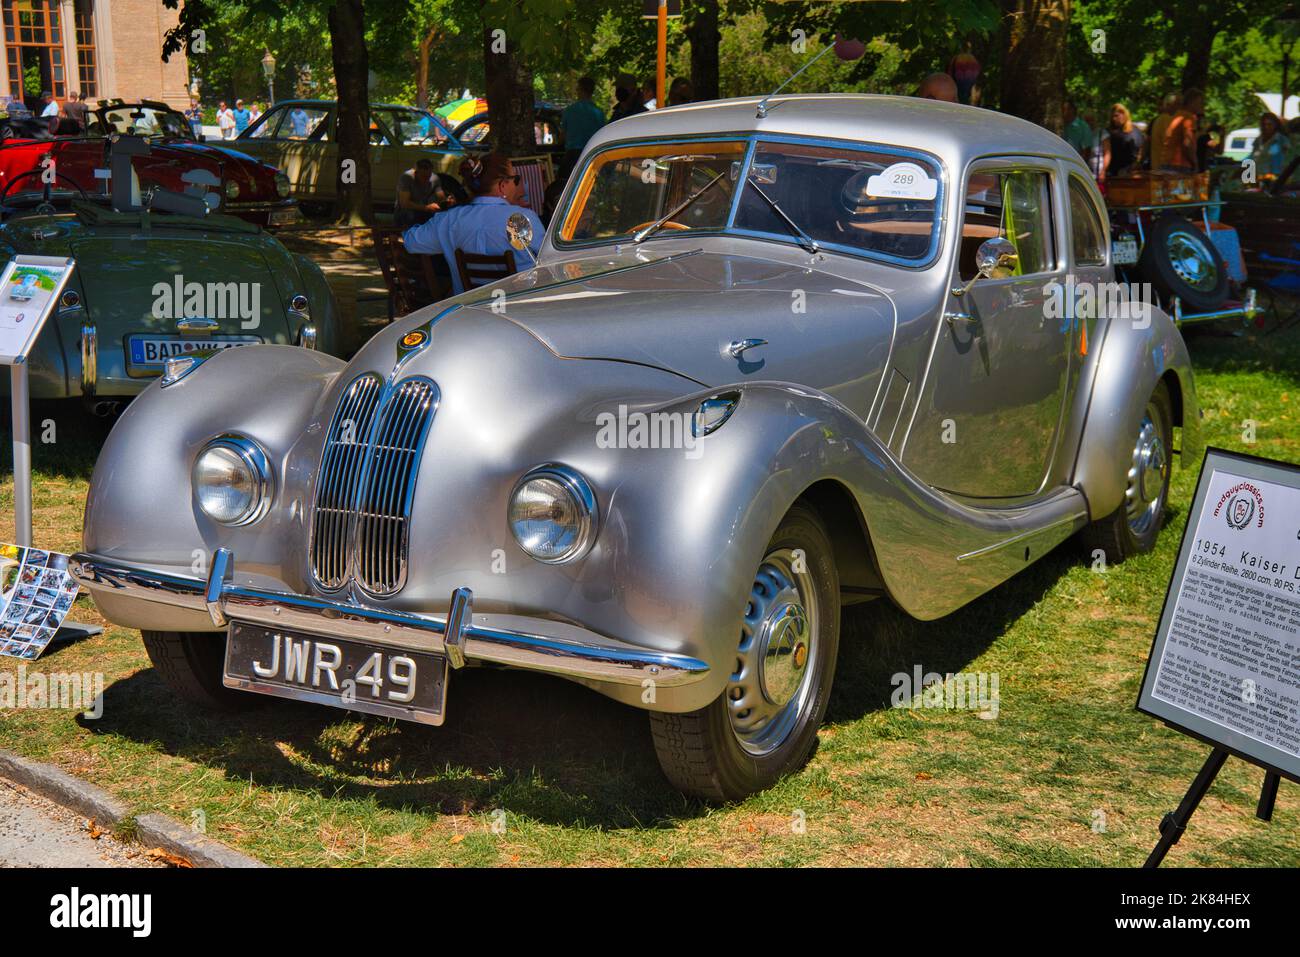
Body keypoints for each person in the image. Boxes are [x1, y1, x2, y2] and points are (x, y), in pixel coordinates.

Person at [402, 152, 544, 294]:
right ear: (502, 185)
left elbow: (410, 242)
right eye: (516, 179)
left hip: (470, 311)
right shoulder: (521, 219)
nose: (518, 184)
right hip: (519, 309)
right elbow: (549, 260)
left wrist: (446, 240)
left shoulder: (449, 219)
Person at [560, 76, 605, 175]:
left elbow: (562, 137)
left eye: (577, 89)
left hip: (572, 157)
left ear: (580, 90)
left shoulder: (569, 111)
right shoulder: (599, 113)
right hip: (592, 155)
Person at [394, 158, 453, 227]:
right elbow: (404, 203)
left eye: (428, 176)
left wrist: (446, 201)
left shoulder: (434, 178)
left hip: (423, 210)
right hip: (405, 211)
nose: (426, 179)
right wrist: (427, 208)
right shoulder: (407, 178)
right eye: (423, 176)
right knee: (409, 215)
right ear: (416, 172)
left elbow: (440, 195)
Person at [1100, 103, 1143, 182]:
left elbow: (1138, 154)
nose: (1114, 119)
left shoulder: (1134, 132)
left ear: (1124, 115)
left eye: (1116, 116)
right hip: (1112, 173)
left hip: (1128, 173)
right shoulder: (1108, 132)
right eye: (1113, 116)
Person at [1162, 88, 1201, 172]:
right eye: (1200, 103)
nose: (1201, 106)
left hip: (1167, 163)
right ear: (1192, 102)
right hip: (1180, 165)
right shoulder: (1188, 118)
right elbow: (1187, 144)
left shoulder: (1176, 115)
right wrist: (1194, 163)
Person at [1252, 112, 1290, 178]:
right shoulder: (1258, 140)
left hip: (1274, 179)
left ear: (1275, 125)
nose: (1266, 127)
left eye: (1269, 124)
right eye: (1264, 124)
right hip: (1257, 177)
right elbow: (1252, 157)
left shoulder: (1282, 140)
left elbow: (1286, 161)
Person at [1147, 93, 1179, 170]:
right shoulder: (1166, 119)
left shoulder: (1157, 120)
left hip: (1157, 166)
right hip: (1166, 168)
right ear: (1169, 105)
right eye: (1178, 104)